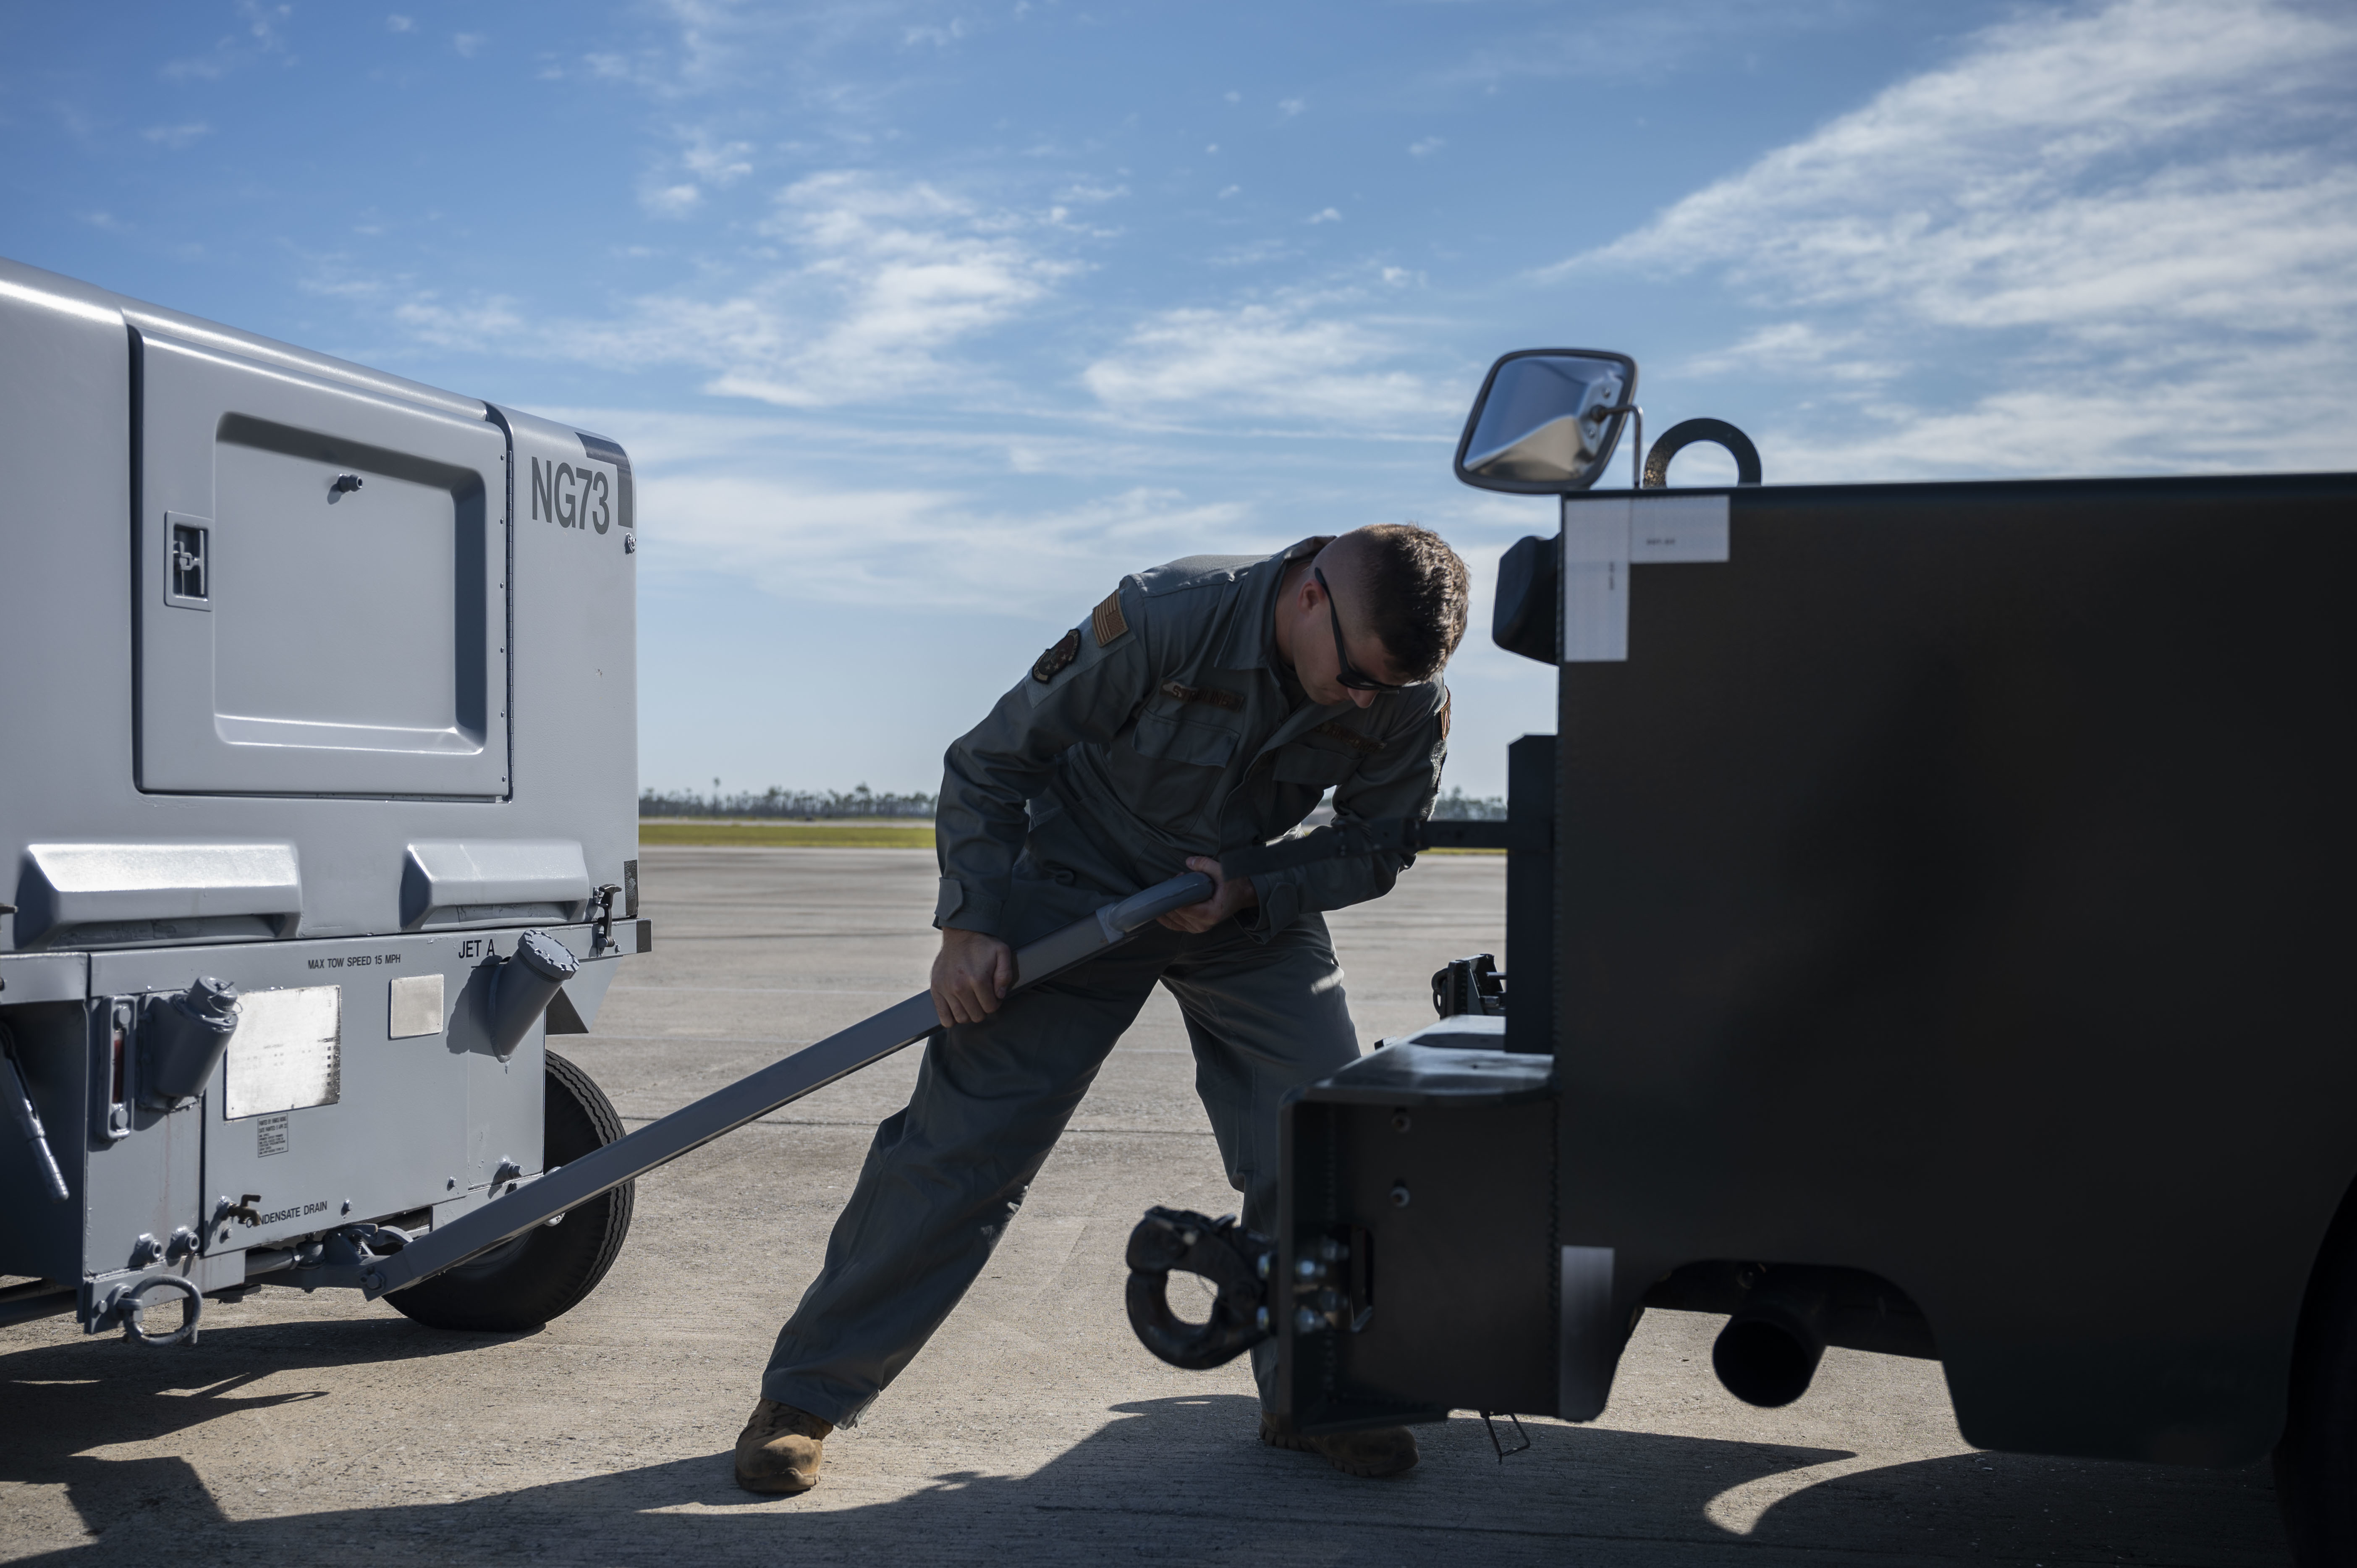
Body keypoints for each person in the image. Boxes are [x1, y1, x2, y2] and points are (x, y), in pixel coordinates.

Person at [735, 524, 1471, 1494]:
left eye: (1386, 688)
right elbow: (992, 760)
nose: (1368, 701)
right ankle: (802, 1398)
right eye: (1357, 678)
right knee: (962, 1144)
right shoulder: (1170, 617)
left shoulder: (1404, 693)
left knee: (1325, 1128)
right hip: (1078, 879)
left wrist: (1249, 886)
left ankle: (1317, 1396)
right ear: (1308, 597)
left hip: (1246, 896)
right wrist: (970, 922)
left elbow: (1379, 840)